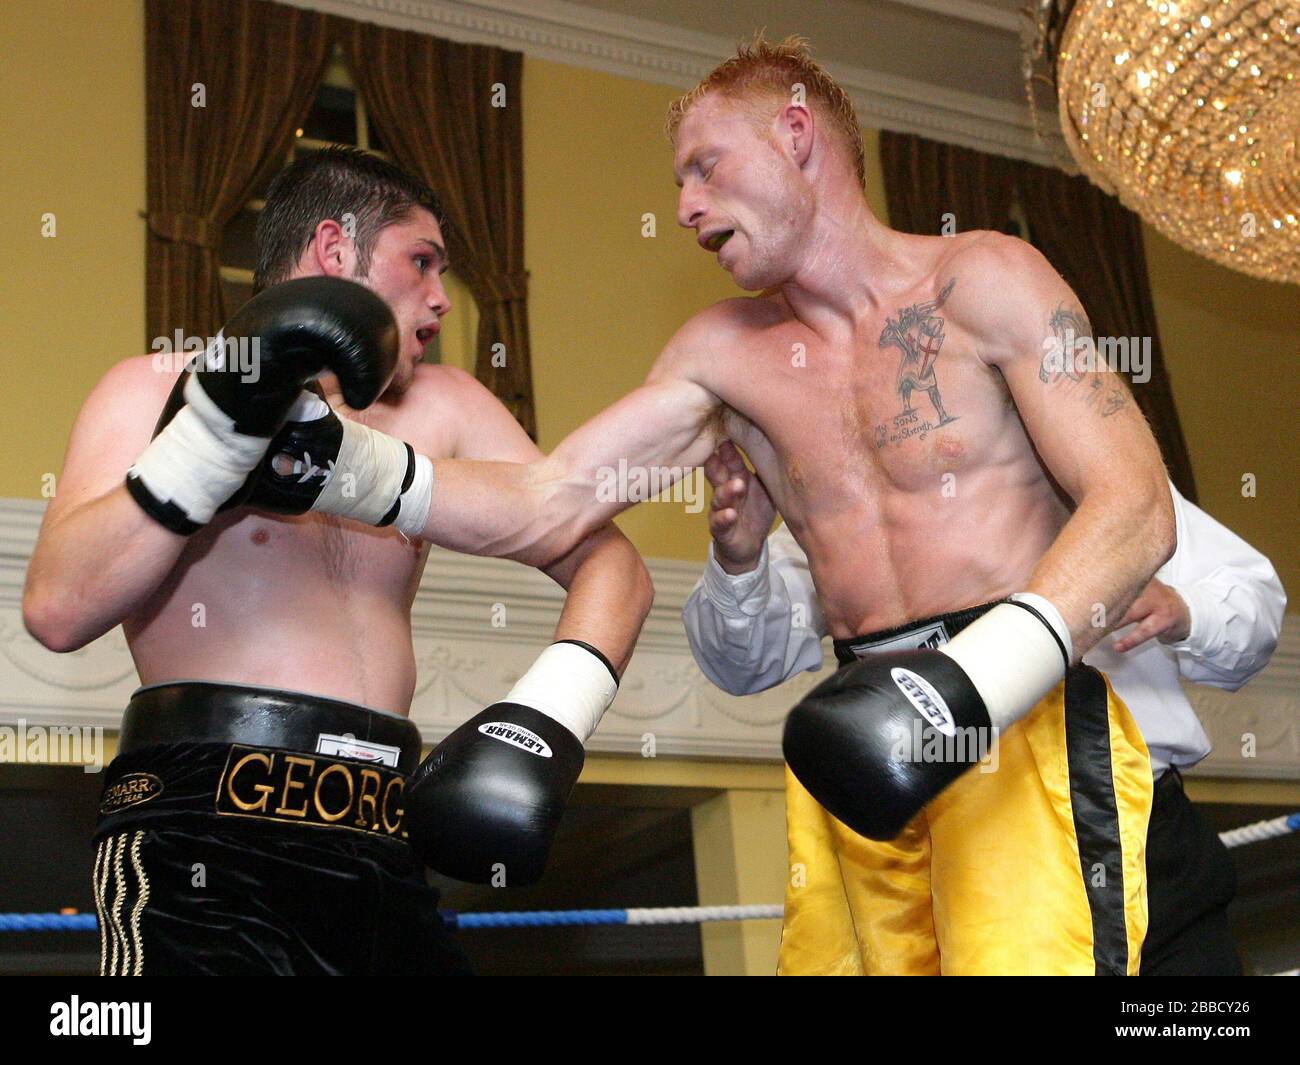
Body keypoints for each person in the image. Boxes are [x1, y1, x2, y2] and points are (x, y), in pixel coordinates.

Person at [263, 37, 1179, 974]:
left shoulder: (985, 278)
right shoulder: (722, 355)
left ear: (794, 135)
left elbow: (1138, 506)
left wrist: (965, 690)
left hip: (1013, 720)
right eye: (678, 183)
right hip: (852, 741)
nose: (684, 207)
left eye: (705, 166)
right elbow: (549, 500)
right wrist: (331, 462)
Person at [22, 147, 653, 975]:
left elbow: (617, 569)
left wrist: (544, 720)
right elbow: (57, 607)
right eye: (421, 262)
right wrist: (200, 460)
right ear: (334, 249)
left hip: (384, 833)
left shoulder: (448, 406)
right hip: (201, 827)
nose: (439, 299)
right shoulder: (153, 388)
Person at [684, 447, 1285, 973]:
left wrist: (1182, 608)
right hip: (921, 856)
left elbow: (1253, 601)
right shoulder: (850, 499)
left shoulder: (1092, 462)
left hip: (1127, 826)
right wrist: (741, 562)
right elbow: (744, 664)